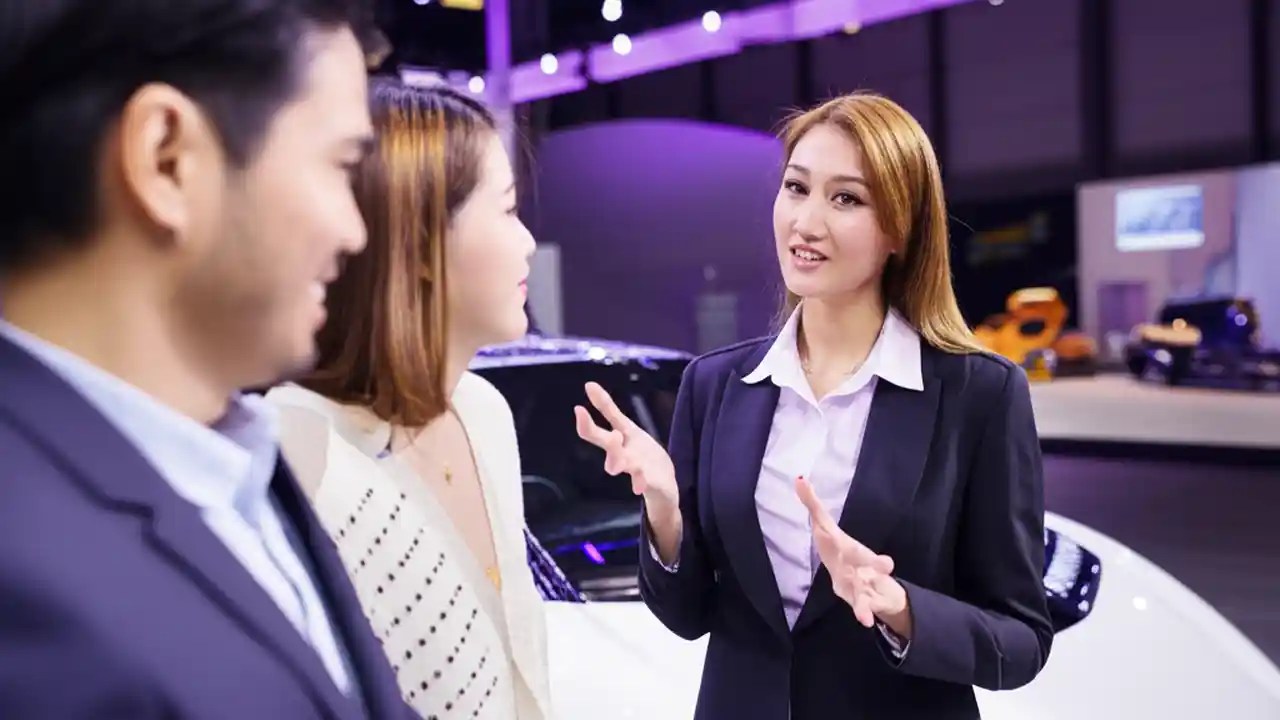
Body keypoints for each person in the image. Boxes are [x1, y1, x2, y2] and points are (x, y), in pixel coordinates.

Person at [0, 2, 424, 718]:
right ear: (167, 158)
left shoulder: (233, 457)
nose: (355, 232)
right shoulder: (27, 594)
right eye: (341, 165)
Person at [575, 91, 1053, 719]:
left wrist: (898, 606)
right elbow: (687, 616)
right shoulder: (714, 386)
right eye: (796, 188)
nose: (806, 223)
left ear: (899, 229)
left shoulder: (979, 395)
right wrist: (664, 508)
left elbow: (1020, 641)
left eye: (846, 199)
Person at [266, 79, 554, 720]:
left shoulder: (484, 413)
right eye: (507, 211)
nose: (528, 242)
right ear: (422, 240)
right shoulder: (301, 449)